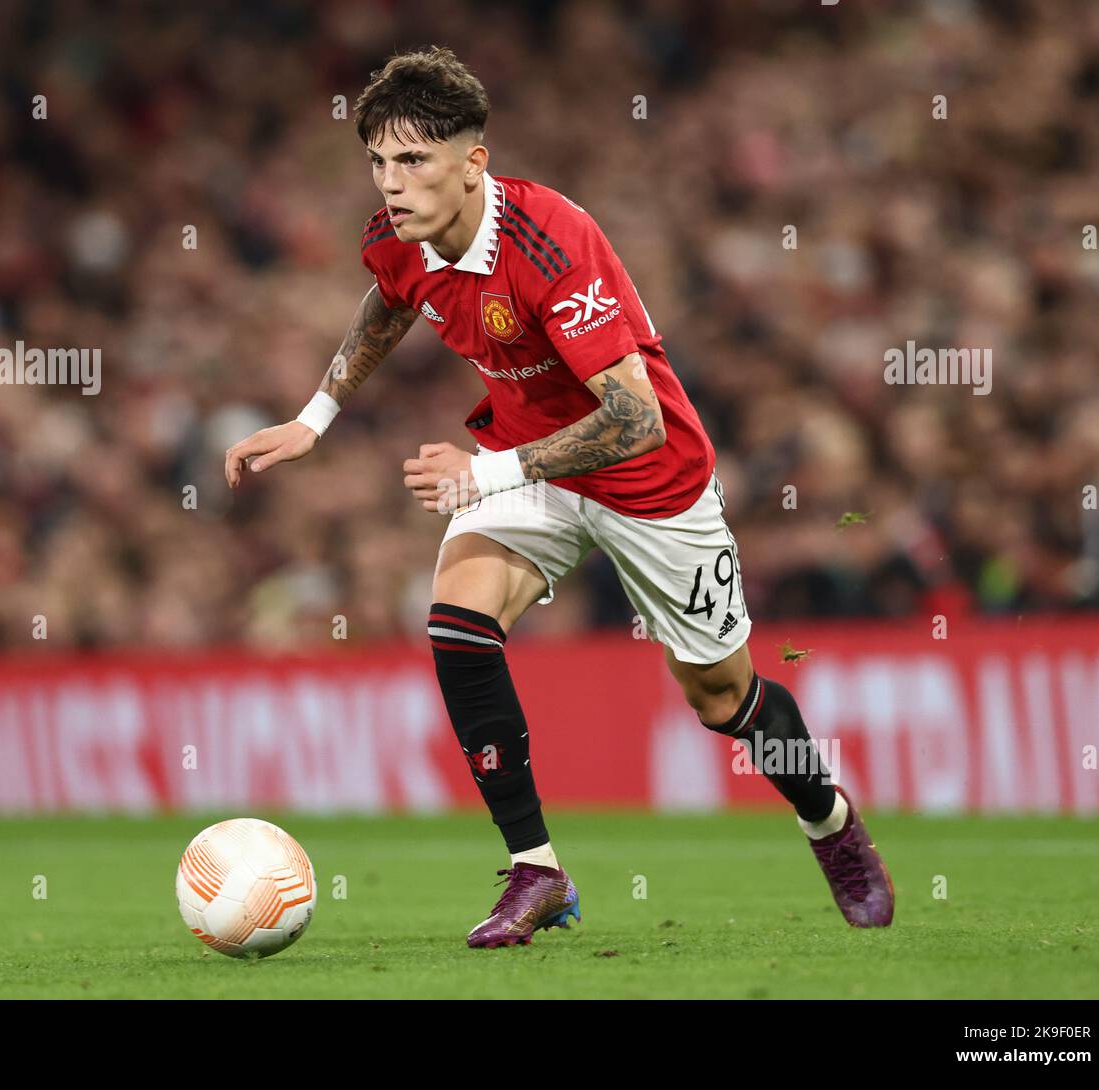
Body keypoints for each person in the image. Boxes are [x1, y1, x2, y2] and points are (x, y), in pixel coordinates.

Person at [224, 46, 893, 948]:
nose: (392, 182)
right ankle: (536, 869)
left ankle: (827, 819)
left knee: (721, 699)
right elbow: (388, 299)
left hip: (645, 480)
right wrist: (316, 416)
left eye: (414, 161)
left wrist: (486, 472)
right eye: (379, 161)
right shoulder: (396, 236)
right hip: (522, 465)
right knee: (457, 621)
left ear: (474, 163)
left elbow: (636, 420)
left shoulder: (550, 240)